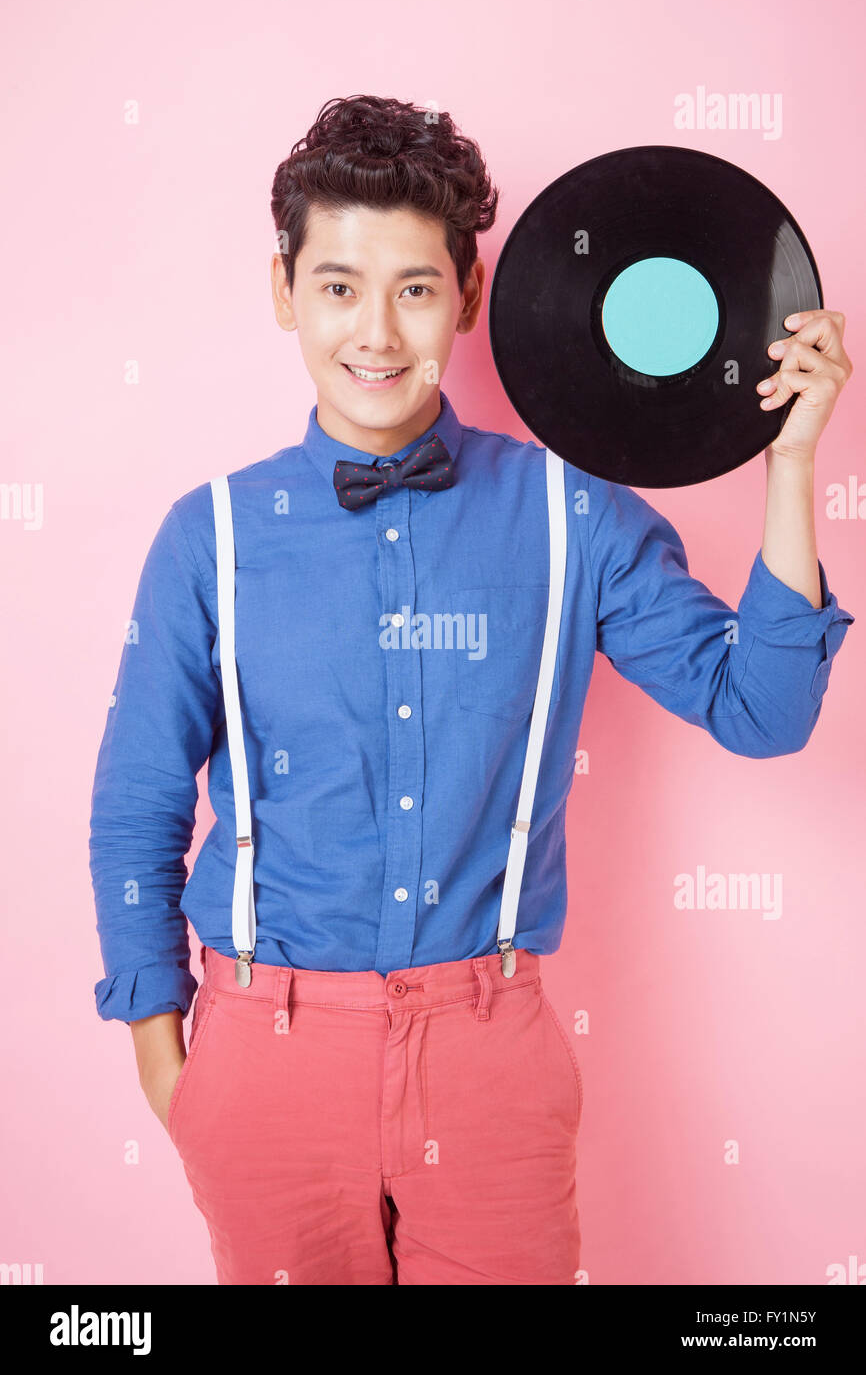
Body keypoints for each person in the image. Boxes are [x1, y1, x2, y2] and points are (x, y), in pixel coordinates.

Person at [89, 94, 855, 1286]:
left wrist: (790, 460)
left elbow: (762, 709)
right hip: (263, 1061)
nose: (376, 332)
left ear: (469, 294)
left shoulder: (571, 516)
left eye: (414, 287)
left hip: (492, 1062)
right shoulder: (213, 537)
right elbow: (136, 805)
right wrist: (166, 1064)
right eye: (338, 285)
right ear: (283, 291)